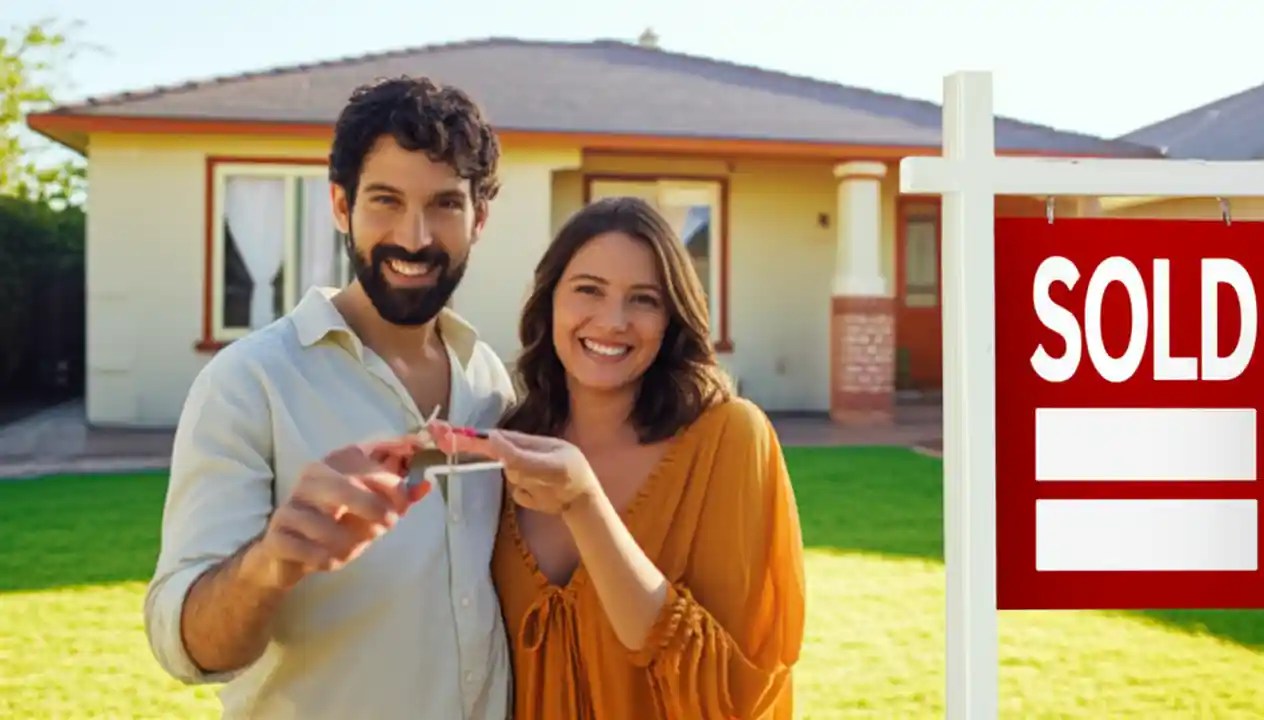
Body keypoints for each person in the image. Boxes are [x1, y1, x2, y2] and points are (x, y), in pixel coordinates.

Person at [143, 76, 516, 719]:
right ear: (341, 207)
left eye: (445, 205)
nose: (416, 236)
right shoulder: (249, 382)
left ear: (479, 218)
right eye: (385, 201)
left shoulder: (489, 383)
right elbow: (184, 645)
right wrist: (271, 561)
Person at [429, 196, 807, 719]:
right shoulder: (510, 439)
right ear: (550, 301)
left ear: (672, 316)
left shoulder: (729, 439)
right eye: (588, 290)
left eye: (644, 299)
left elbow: (733, 690)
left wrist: (584, 504)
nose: (613, 321)